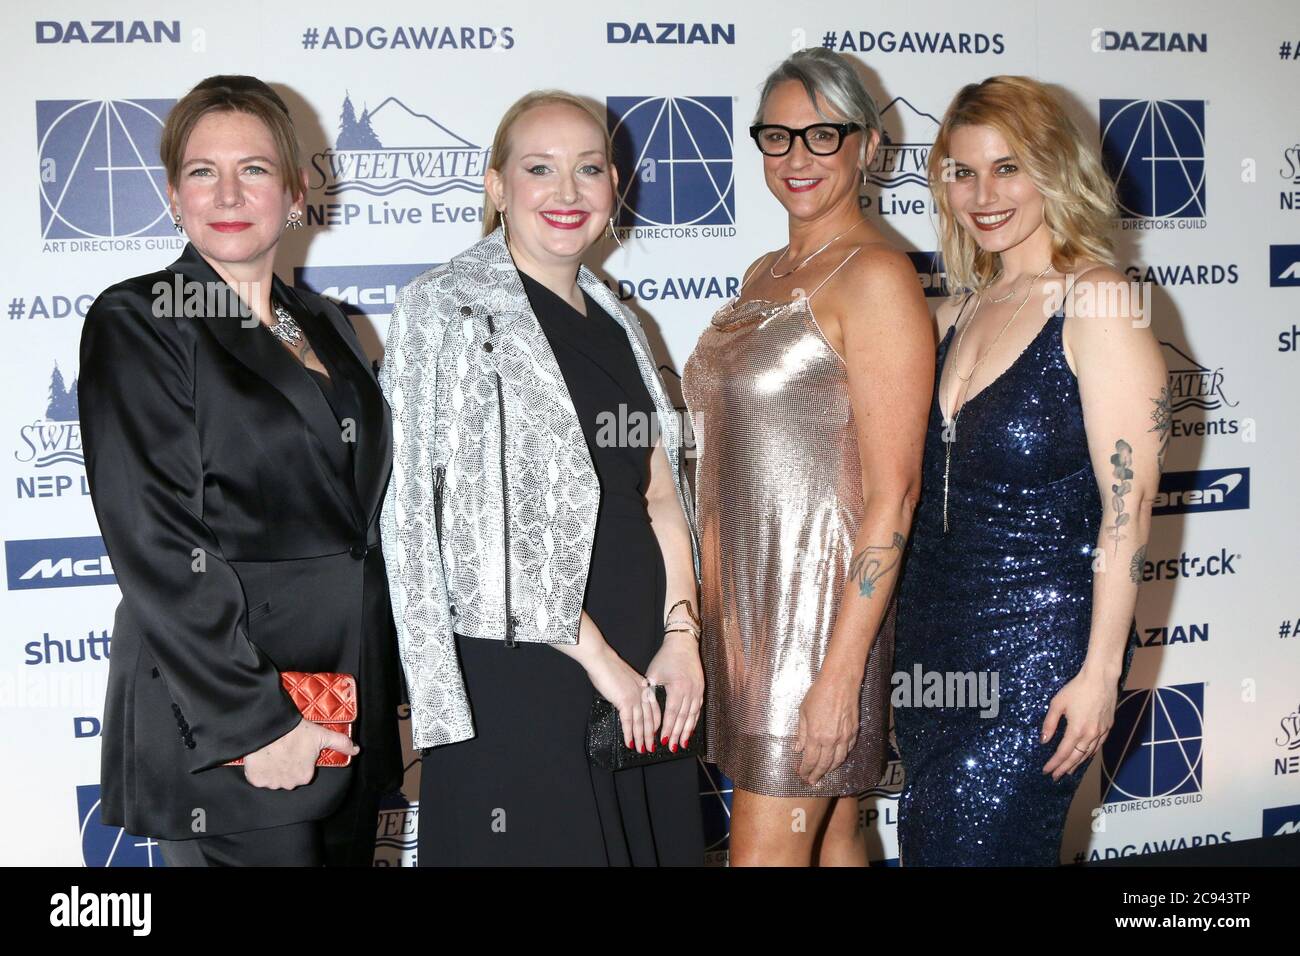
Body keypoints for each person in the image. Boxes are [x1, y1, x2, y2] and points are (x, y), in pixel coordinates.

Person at [79, 75, 402, 866]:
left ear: (295, 193)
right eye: (202, 171)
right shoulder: (143, 318)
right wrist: (257, 723)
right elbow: (155, 542)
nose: (228, 192)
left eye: (254, 169)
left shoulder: (328, 325)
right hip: (235, 720)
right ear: (172, 194)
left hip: (346, 705)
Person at [380, 90, 705, 866]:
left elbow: (662, 495)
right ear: (497, 187)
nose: (567, 193)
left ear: (613, 187)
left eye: (589, 169)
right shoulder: (446, 307)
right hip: (526, 670)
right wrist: (601, 664)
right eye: (540, 169)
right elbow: (443, 523)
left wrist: (682, 636)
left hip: (646, 658)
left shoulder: (619, 319)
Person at [893, 75, 1165, 866]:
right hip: (932, 650)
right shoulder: (954, 312)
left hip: (1037, 656)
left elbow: (1131, 504)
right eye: (961, 172)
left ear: (1054, 169)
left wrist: (1101, 671)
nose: (982, 194)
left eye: (1007, 168)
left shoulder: (1098, 302)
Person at [681, 48, 933, 866]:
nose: (797, 158)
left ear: (867, 146)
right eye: (778, 137)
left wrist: (838, 677)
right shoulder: (767, 272)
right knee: (830, 847)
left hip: (815, 627)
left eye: (823, 135)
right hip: (747, 618)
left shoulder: (878, 278)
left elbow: (894, 496)